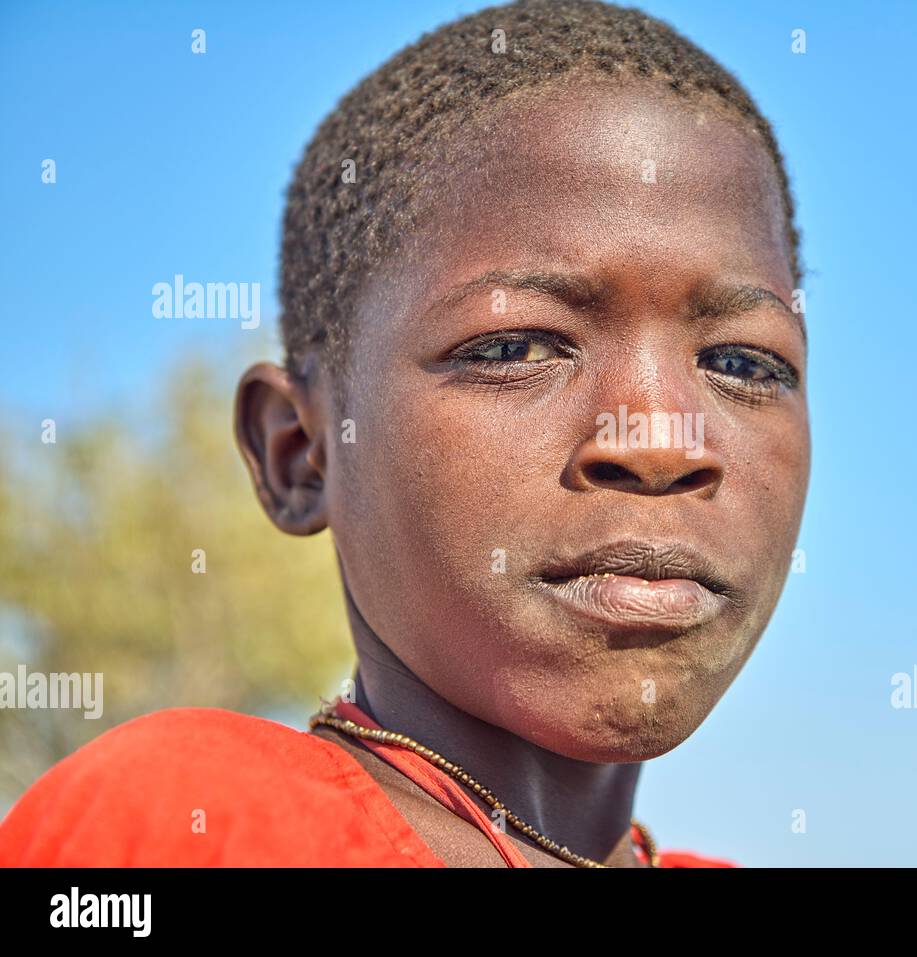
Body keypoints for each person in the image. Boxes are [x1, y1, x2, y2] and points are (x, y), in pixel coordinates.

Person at [0, 0, 809, 867]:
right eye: (513, 346)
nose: (659, 441)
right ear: (299, 452)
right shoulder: (184, 824)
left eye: (745, 363)